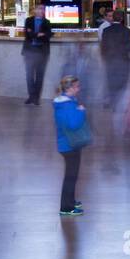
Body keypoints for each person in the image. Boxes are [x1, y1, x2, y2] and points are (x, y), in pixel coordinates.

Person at [53, 75, 89, 216]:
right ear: (69, 88)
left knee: (72, 176)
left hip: (69, 144)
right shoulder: (66, 105)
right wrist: (81, 111)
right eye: (77, 86)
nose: (79, 89)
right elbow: (73, 125)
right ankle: (66, 207)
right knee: (70, 177)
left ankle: (71, 200)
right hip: (69, 146)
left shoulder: (65, 102)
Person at [99, 9, 130, 107]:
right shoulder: (126, 30)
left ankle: (113, 102)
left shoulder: (106, 30)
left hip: (110, 60)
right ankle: (121, 103)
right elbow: (129, 47)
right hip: (123, 61)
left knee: (111, 81)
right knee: (123, 82)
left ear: (113, 18)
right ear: (122, 19)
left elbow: (103, 46)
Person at [22, 3, 52, 105]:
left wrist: (34, 34)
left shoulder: (47, 22)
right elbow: (27, 34)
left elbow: (48, 35)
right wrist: (39, 34)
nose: (41, 11)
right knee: (29, 76)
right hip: (29, 52)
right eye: (39, 9)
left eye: (43, 9)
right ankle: (31, 96)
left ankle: (36, 98)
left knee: (40, 76)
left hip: (42, 53)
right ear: (35, 10)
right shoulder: (28, 20)